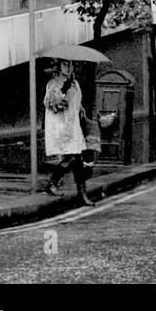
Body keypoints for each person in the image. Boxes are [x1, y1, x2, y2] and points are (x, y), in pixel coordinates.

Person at [43, 60, 94, 206]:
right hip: (61, 127)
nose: (69, 68)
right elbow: (51, 104)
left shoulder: (74, 83)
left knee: (77, 158)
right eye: (65, 64)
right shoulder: (53, 84)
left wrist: (81, 108)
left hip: (73, 127)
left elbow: (76, 102)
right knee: (74, 157)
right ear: (58, 66)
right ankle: (78, 193)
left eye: (71, 64)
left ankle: (77, 193)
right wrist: (63, 91)